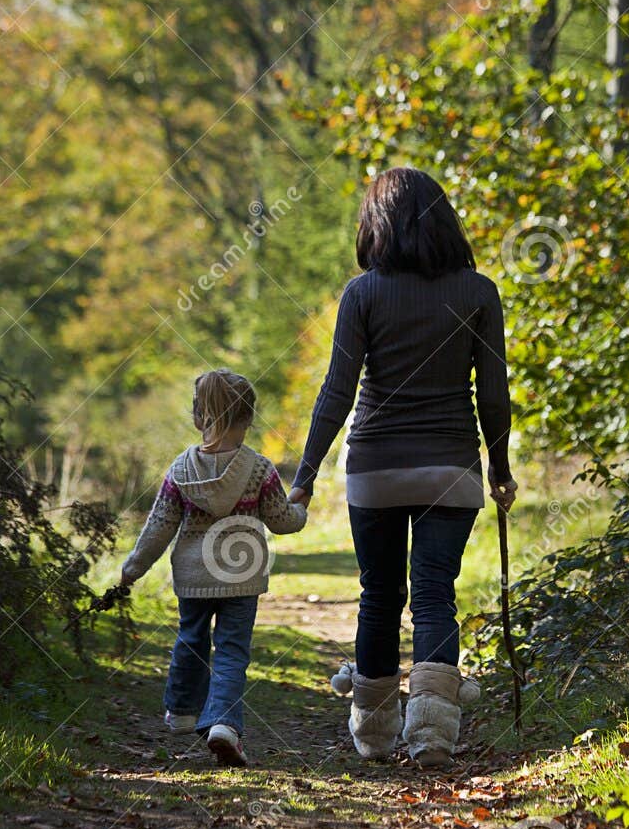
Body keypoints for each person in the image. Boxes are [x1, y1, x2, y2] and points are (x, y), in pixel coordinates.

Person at [290, 167, 516, 771]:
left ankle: (374, 733)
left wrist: (306, 473)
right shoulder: (478, 292)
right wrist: (500, 467)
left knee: (379, 594)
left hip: (376, 466)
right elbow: (493, 395)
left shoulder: (362, 294)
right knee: (436, 594)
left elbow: (336, 391)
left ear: (376, 223)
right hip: (451, 466)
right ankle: (434, 734)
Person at [120, 368, 307, 767]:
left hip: (193, 576)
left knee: (191, 638)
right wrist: (301, 506)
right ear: (248, 418)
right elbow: (282, 521)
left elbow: (159, 527)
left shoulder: (181, 470)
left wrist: (132, 568)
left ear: (198, 417)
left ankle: (184, 710)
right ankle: (224, 722)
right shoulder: (259, 469)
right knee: (232, 651)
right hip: (241, 574)